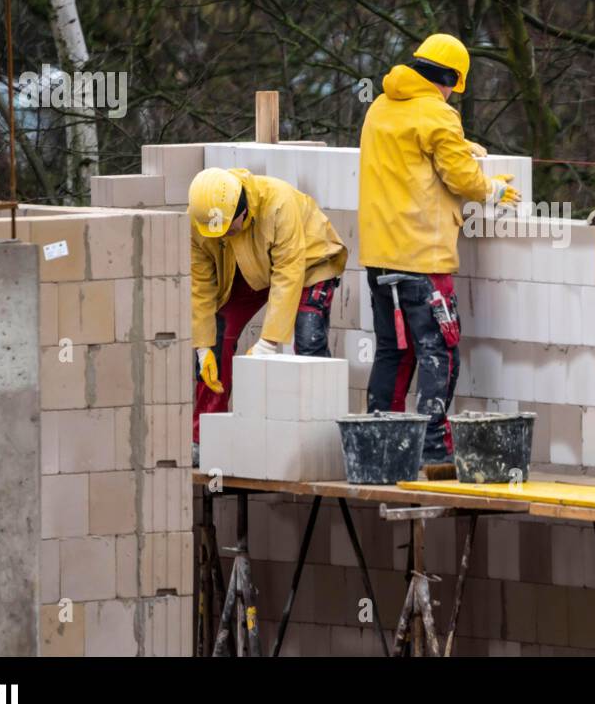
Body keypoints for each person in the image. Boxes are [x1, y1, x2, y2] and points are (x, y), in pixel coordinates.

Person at [358, 33, 521, 469]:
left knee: (393, 350)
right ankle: (433, 447)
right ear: (448, 78)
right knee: (438, 349)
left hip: (379, 257)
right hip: (422, 258)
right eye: (453, 85)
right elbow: (463, 181)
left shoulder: (380, 107)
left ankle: (380, 441)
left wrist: (461, 149)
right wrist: (493, 189)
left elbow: (408, 153)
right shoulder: (439, 115)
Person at [188, 165, 348, 465]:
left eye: (229, 227)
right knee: (216, 339)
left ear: (243, 210)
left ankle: (321, 441)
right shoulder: (200, 220)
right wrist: (201, 347)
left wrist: (268, 342)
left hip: (309, 262)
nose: (224, 233)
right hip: (248, 267)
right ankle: (204, 438)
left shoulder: (278, 203)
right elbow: (201, 286)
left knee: (307, 337)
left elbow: (288, 276)